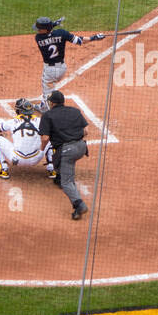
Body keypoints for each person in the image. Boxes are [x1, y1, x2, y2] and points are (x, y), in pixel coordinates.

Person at [33, 16, 105, 110]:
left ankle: (45, 108)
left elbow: (48, 34)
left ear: (44, 30)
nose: (37, 30)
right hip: (62, 69)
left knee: (47, 90)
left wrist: (54, 24)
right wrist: (94, 37)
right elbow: (79, 40)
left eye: (39, 29)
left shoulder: (38, 38)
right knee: (51, 87)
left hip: (50, 71)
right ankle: (47, 104)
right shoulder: (62, 33)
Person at [38, 91, 89, 220]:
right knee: (61, 161)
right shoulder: (75, 111)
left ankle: (79, 205)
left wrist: (41, 149)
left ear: (52, 103)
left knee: (67, 182)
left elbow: (45, 138)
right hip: (82, 147)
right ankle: (59, 175)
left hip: (67, 151)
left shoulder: (47, 116)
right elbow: (85, 131)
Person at [0, 99, 55, 180]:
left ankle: (2, 170)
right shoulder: (40, 121)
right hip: (36, 159)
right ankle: (52, 169)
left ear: (19, 111)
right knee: (52, 138)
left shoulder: (13, 122)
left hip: (16, 159)